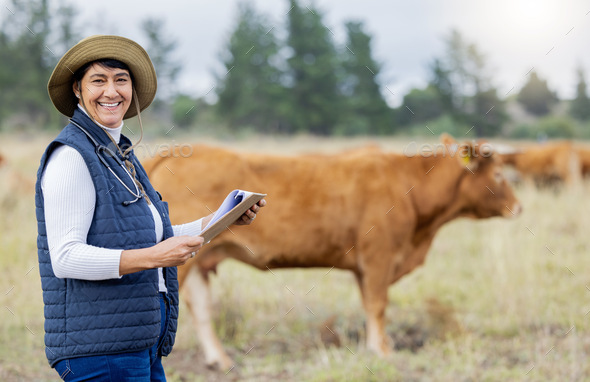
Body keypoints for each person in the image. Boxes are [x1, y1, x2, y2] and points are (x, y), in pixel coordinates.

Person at [35, 35, 265, 381]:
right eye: (98, 81)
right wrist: (155, 257)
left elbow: (153, 236)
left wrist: (220, 220)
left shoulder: (120, 154)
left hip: (136, 340)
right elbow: (66, 257)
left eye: (121, 81)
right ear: (77, 90)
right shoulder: (71, 157)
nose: (111, 92)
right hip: (102, 350)